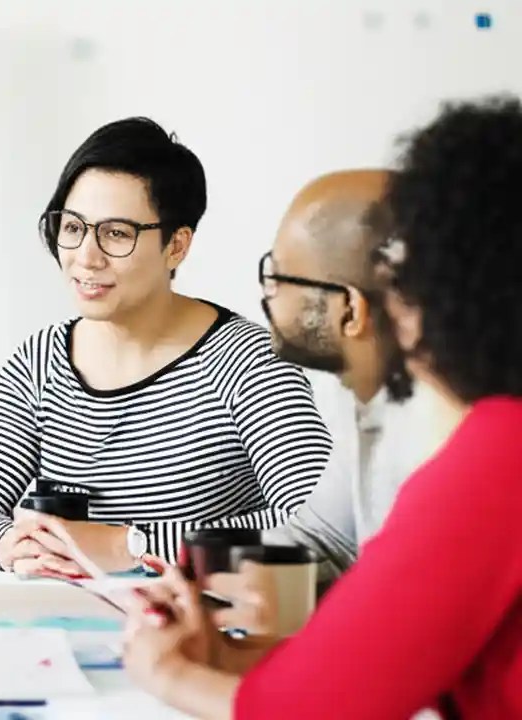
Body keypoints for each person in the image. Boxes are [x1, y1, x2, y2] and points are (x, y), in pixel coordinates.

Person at [122, 95, 522, 719]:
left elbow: (308, 709)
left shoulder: (497, 450)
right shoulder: (453, 429)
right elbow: (349, 586)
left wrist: (163, 670)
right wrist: (220, 618)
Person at [0, 117, 331, 574]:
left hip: (206, 616)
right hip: (65, 612)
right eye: (73, 227)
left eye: (116, 233)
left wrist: (132, 546)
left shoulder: (249, 361)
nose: (86, 257)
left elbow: (318, 528)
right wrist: (7, 544)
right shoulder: (40, 361)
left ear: (176, 246)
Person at [206, 169, 447, 632]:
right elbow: (324, 538)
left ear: (349, 310)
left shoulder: (440, 436)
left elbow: (406, 615)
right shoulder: (361, 397)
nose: (266, 293)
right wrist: (204, 583)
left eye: (278, 275)